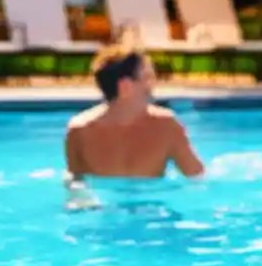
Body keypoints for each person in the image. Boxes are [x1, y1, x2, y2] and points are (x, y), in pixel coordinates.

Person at [64, 45, 205, 183]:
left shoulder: (79, 129)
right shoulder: (165, 126)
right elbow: (197, 178)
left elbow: (75, 184)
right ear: (125, 86)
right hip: (152, 204)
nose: (153, 84)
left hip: (106, 205)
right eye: (148, 77)